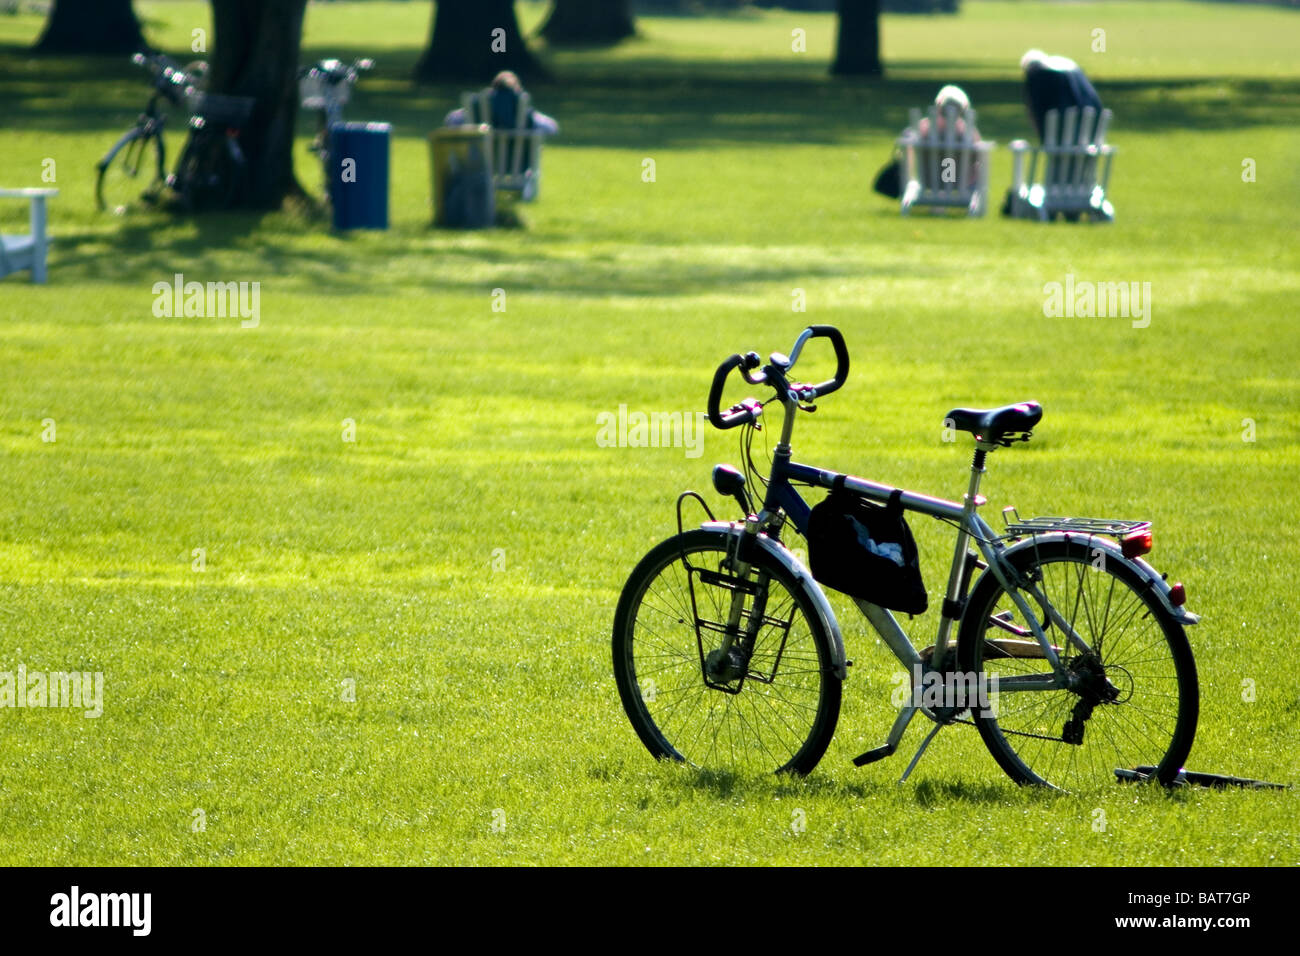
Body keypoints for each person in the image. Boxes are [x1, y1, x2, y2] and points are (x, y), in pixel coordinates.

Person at [873, 85, 984, 200]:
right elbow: (978, 157)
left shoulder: (922, 128)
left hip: (928, 180)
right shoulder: (968, 133)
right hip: (960, 182)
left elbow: (904, 147)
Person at [444, 70, 558, 174]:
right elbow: (552, 128)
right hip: (517, 165)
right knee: (535, 142)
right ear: (517, 90)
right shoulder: (522, 111)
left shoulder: (478, 107)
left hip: (481, 165)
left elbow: (451, 120)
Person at [1019, 50, 1103, 142]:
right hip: (1091, 139)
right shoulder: (1073, 70)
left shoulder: (1038, 74)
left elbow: (1036, 110)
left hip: (1059, 142)